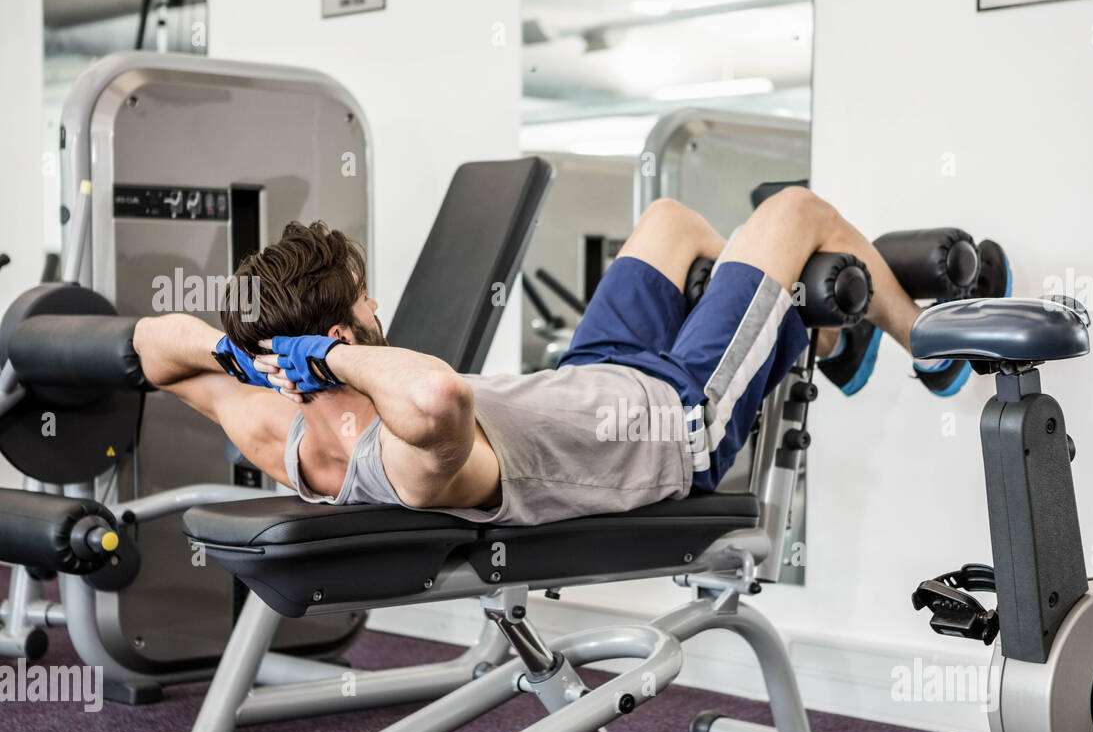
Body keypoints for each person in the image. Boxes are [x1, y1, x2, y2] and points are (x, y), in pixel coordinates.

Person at [132, 187, 965, 526]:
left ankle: (821, 339)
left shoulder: (271, 421)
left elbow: (152, 343)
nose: (379, 306)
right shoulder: (397, 458)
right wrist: (328, 359)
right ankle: (924, 344)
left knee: (671, 220)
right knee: (792, 209)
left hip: (596, 372)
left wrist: (245, 353)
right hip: (676, 421)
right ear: (342, 343)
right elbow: (430, 394)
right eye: (364, 303)